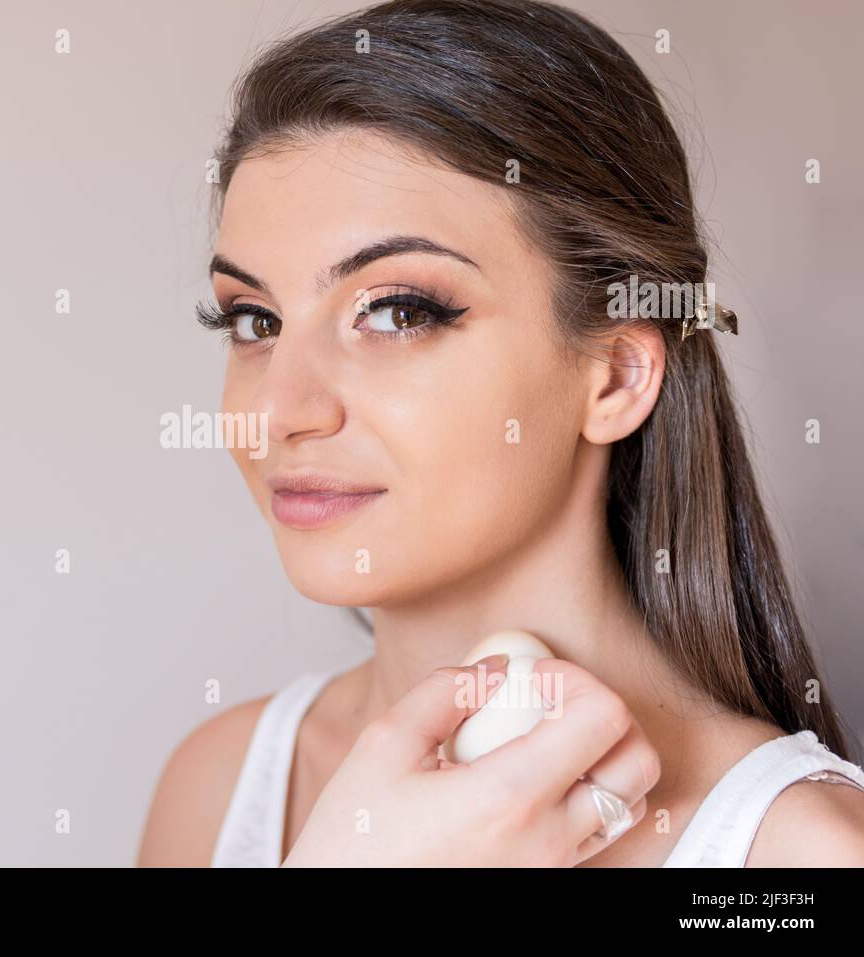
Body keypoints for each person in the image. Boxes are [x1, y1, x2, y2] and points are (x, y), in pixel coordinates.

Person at [137, 0, 864, 867]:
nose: (284, 410)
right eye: (255, 321)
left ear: (617, 376)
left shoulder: (795, 857)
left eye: (398, 311)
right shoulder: (222, 784)